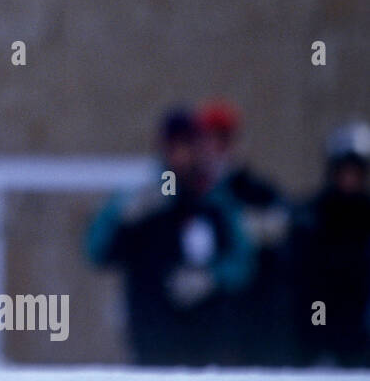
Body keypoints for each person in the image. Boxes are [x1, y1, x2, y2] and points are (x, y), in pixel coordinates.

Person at [87, 107, 255, 366]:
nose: (181, 155)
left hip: (207, 339)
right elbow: (97, 251)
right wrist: (122, 218)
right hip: (152, 335)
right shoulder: (142, 200)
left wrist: (211, 278)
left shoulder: (214, 202)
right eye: (174, 146)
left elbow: (241, 261)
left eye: (187, 146)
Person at [197, 100, 292, 365]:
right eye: (209, 139)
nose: (215, 148)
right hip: (204, 330)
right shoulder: (189, 193)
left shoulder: (258, 192)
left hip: (255, 323)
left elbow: (287, 239)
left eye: (222, 138)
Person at [290, 122, 370, 367]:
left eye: (354, 171)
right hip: (322, 313)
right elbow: (304, 276)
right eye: (343, 171)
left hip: (359, 319)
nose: (348, 178)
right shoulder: (313, 214)